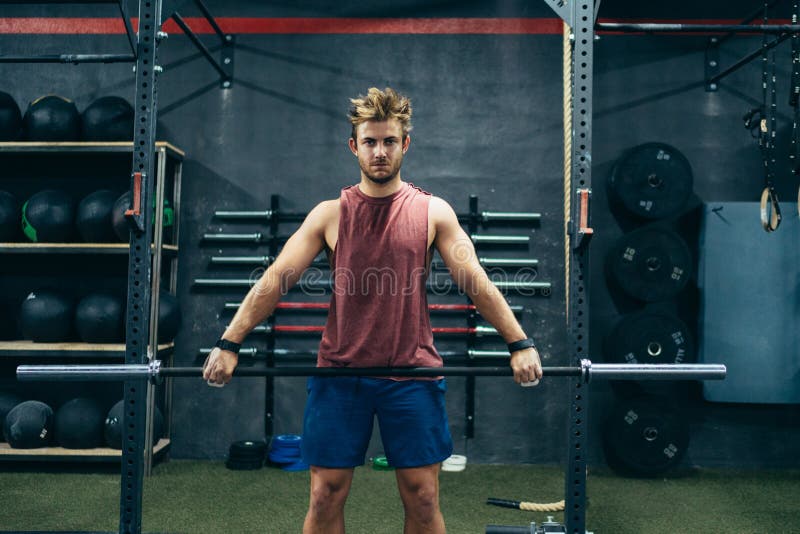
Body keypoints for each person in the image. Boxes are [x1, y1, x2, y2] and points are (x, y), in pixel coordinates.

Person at [203, 87, 542, 534]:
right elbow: (275, 279)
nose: (379, 151)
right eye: (369, 141)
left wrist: (519, 343)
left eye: (388, 141)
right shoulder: (330, 215)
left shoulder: (431, 212)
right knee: (325, 494)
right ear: (354, 147)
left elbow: (475, 281)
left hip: (412, 373)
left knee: (423, 497)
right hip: (341, 373)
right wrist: (230, 342)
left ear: (405, 144)